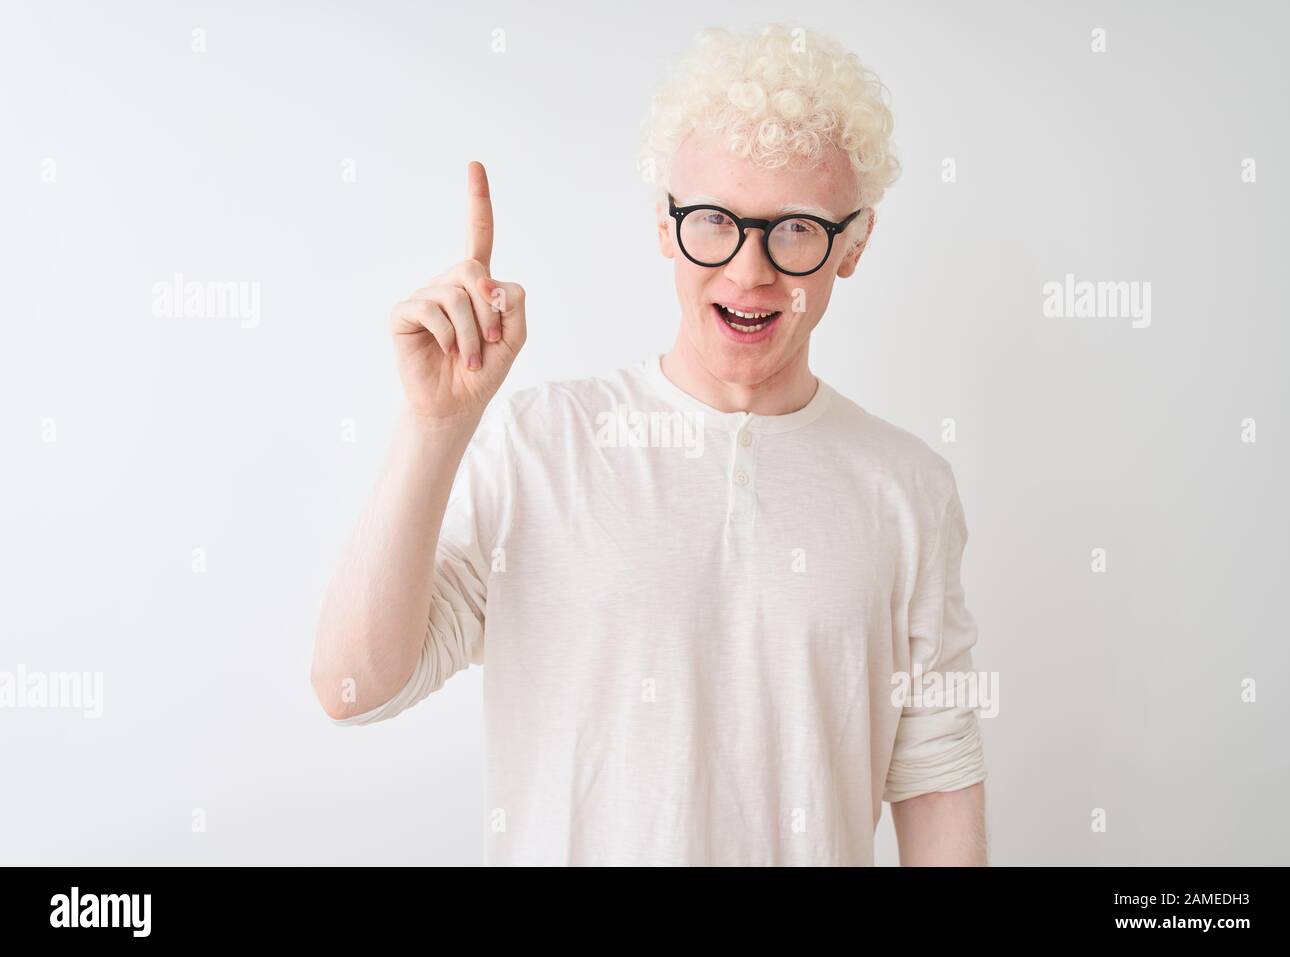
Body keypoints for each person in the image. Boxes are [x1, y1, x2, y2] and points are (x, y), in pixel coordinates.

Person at [311, 24, 989, 866]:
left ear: (853, 243)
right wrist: (434, 429)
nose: (749, 272)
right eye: (715, 221)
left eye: (797, 230)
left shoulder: (909, 488)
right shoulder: (541, 445)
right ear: (666, 226)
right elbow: (353, 686)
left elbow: (935, 777)